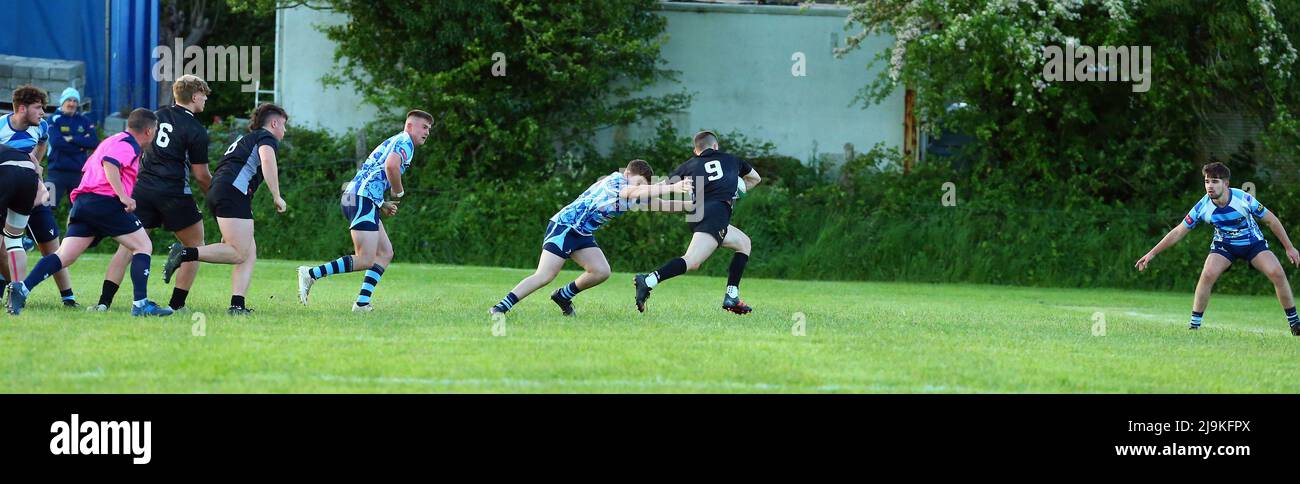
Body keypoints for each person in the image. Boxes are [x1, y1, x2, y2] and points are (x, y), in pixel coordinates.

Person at [7, 108, 171, 317]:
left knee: (64, 256)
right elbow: (109, 163)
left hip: (85, 202)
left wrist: (79, 207)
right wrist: (123, 196)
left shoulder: (111, 140)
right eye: (155, 130)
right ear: (148, 131)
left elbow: (90, 168)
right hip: (104, 201)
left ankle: (22, 288)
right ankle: (141, 305)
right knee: (143, 245)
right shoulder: (128, 144)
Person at [489, 159, 693, 316]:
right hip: (565, 227)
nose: (641, 188)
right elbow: (630, 191)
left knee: (601, 271)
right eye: (639, 182)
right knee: (545, 275)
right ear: (628, 173)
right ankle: (500, 308)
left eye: (643, 185)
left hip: (582, 233)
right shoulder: (616, 180)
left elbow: (661, 204)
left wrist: (693, 205)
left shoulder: (633, 194)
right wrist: (672, 187)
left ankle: (563, 296)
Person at [1136, 162, 1300, 336]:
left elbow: (1271, 220)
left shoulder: (1243, 198)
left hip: (1252, 243)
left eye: (1215, 181)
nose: (1210, 186)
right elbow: (1178, 232)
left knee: (1277, 273)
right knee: (1208, 274)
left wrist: (1289, 248)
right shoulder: (1202, 206)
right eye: (1207, 181)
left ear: (1226, 184)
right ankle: (1194, 326)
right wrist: (1151, 253)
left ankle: (1295, 324)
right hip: (1224, 245)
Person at [95, 75, 211, 313]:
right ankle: (177, 305)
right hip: (173, 192)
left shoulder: (156, 115)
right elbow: (201, 175)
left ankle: (103, 303)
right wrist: (216, 197)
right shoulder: (195, 128)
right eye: (204, 94)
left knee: (128, 247)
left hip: (143, 189)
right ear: (195, 96)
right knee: (195, 245)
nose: (206, 98)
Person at [296, 110, 432, 312]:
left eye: (429, 129)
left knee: (385, 253)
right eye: (424, 127)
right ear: (410, 126)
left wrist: (382, 203)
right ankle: (312, 273)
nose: (427, 132)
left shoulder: (397, 141)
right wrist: (398, 191)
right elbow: (391, 166)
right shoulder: (405, 142)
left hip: (362, 197)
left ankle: (361, 303)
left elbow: (373, 172)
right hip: (361, 198)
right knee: (366, 258)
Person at [162, 103, 289, 316]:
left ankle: (237, 304)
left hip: (219, 191)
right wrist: (276, 195)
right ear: (274, 123)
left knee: (248, 250)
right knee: (238, 252)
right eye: (284, 125)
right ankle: (183, 253)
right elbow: (267, 160)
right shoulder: (266, 138)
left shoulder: (245, 138)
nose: (284, 131)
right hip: (232, 193)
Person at [633, 131, 761, 315]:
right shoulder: (733, 160)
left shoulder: (690, 164)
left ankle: (732, 295)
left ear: (696, 150)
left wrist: (639, 194)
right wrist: (736, 190)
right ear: (715, 146)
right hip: (716, 212)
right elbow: (756, 178)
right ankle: (648, 280)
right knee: (691, 261)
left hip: (697, 212)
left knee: (743, 243)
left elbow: (661, 187)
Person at [0, 85, 78, 308]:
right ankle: (13, 290)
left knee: (52, 247)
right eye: (38, 107)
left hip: (31, 189)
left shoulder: (41, 126)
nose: (43, 112)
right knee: (5, 246)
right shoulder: (2, 127)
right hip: (6, 191)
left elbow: (42, 142)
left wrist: (35, 164)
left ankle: (69, 298)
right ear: (22, 109)